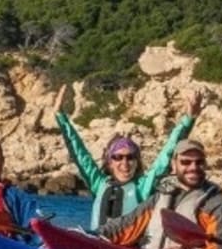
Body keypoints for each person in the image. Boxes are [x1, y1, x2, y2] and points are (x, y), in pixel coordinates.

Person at [54, 85, 203, 229]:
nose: (125, 162)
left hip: (128, 245)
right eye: (118, 157)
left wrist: (188, 119)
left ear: (137, 163)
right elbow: (78, 152)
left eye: (130, 157)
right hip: (96, 242)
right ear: (110, 163)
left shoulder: (142, 188)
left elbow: (167, 154)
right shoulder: (98, 184)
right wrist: (60, 116)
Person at [93, 139, 222, 249]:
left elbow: (218, 247)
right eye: (185, 162)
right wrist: (95, 235)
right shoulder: (160, 196)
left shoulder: (214, 204)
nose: (193, 167)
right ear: (174, 165)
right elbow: (126, 225)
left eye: (199, 162)